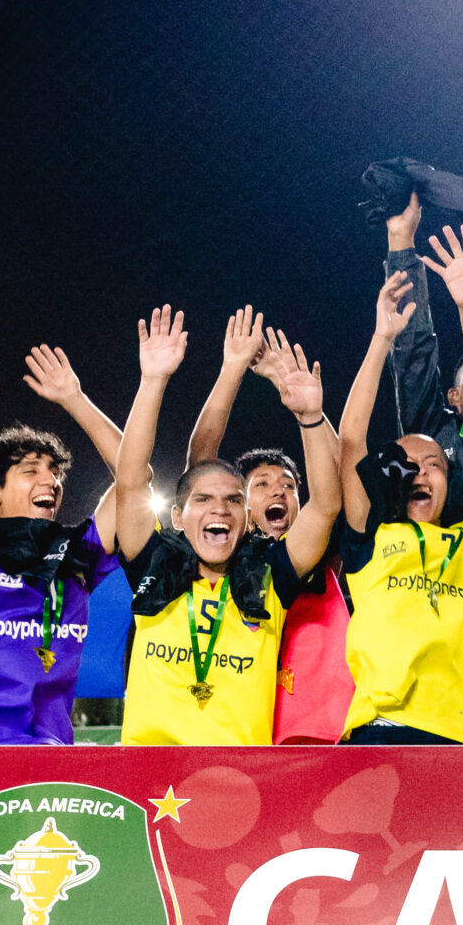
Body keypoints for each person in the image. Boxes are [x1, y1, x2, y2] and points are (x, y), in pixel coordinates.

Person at [113, 307, 341, 746]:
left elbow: (326, 506)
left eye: (233, 501)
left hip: (242, 782)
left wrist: (311, 417)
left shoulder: (270, 576)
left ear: (247, 518)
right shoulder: (154, 563)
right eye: (203, 500)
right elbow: (128, 480)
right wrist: (153, 381)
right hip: (147, 778)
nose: (219, 510)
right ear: (178, 518)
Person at [334, 229, 463, 745]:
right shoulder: (371, 538)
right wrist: (380, 339)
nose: (418, 470)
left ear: (451, 475)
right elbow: (351, 443)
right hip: (381, 729)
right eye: (406, 463)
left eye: (433, 462)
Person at [0, 332, 125, 745]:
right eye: (31, 470)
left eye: (54, 471)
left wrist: (75, 399)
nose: (49, 479)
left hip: (48, 764)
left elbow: (135, 480)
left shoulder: (77, 553)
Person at [188, 307, 357, 744]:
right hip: (248, 731)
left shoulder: (321, 547)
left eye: (287, 484)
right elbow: (200, 465)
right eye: (261, 485)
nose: (278, 492)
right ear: (240, 507)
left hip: (329, 732)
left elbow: (336, 486)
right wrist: (231, 370)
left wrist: (311, 416)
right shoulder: (221, 557)